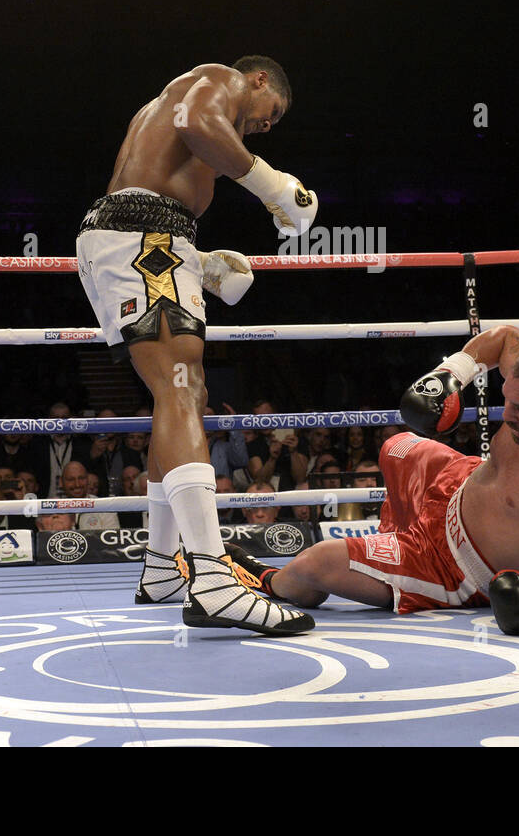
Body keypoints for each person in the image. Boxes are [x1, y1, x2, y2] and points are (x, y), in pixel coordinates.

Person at [75, 57, 317, 635]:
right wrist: (273, 186)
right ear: (258, 80)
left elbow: (162, 176)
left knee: (183, 392)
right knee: (180, 385)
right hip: (146, 238)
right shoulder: (218, 80)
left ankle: (163, 566)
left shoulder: (176, 101)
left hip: (153, 239)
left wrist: (198, 260)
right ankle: (211, 580)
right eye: (271, 114)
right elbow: (194, 122)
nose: (264, 127)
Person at [229, 326, 519, 637]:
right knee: (396, 446)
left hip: (452, 564)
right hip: (458, 483)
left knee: (317, 562)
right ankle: (388, 548)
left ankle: (269, 581)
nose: (505, 417)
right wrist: (450, 374)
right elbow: (506, 338)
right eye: (506, 400)